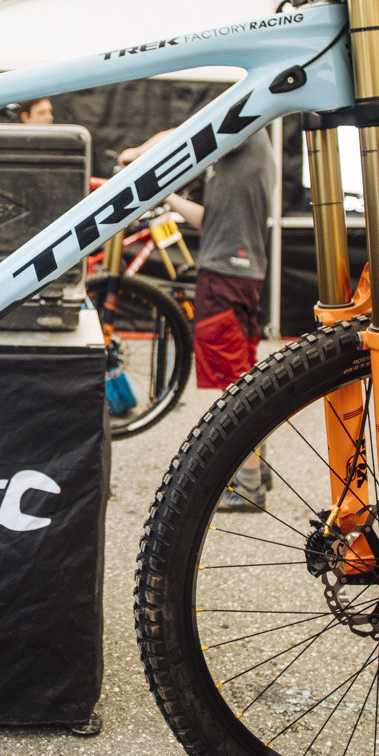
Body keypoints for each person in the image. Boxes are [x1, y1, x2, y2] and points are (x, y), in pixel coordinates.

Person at [119, 124, 277, 510]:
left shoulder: (245, 129)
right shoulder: (244, 153)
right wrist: (166, 196)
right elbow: (210, 221)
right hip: (239, 270)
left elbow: (185, 131)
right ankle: (257, 469)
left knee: (233, 382)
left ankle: (248, 486)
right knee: (244, 377)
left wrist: (139, 153)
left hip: (226, 274)